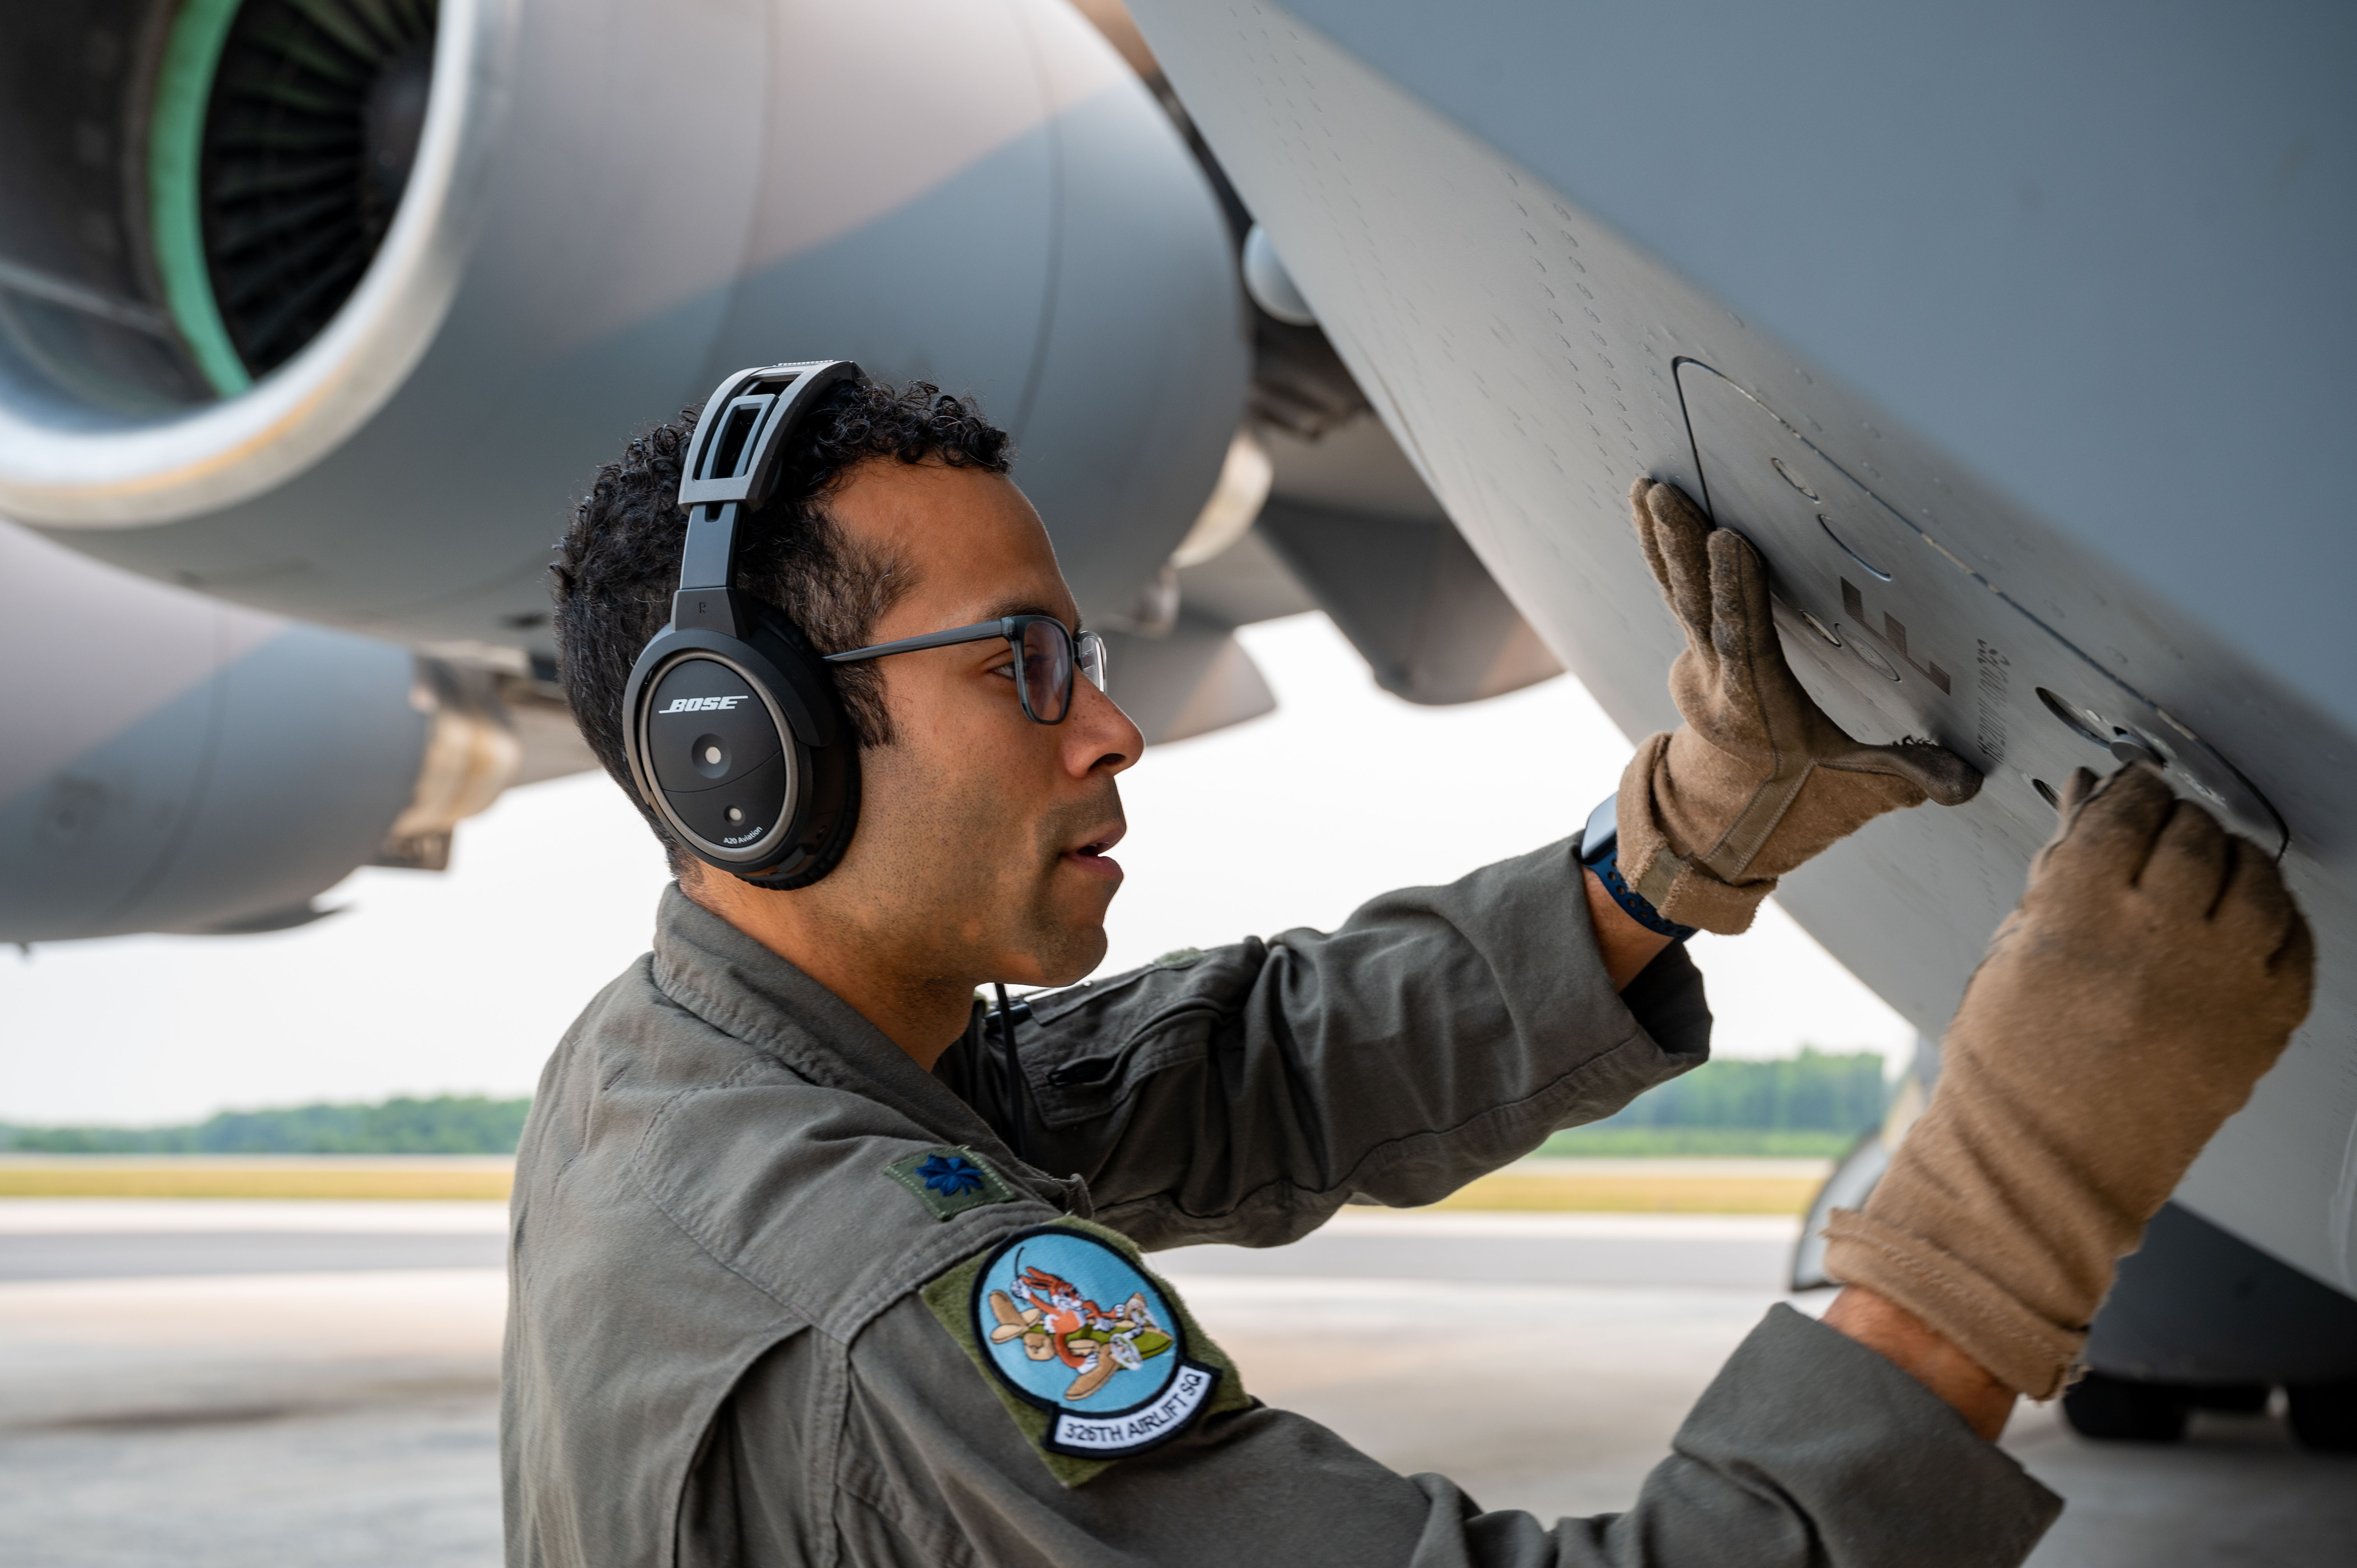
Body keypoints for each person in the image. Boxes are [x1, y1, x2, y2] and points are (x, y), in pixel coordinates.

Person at [506, 376, 2314, 1566]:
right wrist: (2015, 1195)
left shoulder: (678, 1067)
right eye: (1024, 666)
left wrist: (1672, 850)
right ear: (753, 749)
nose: (1117, 729)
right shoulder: (893, 1303)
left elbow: (1250, 1067)